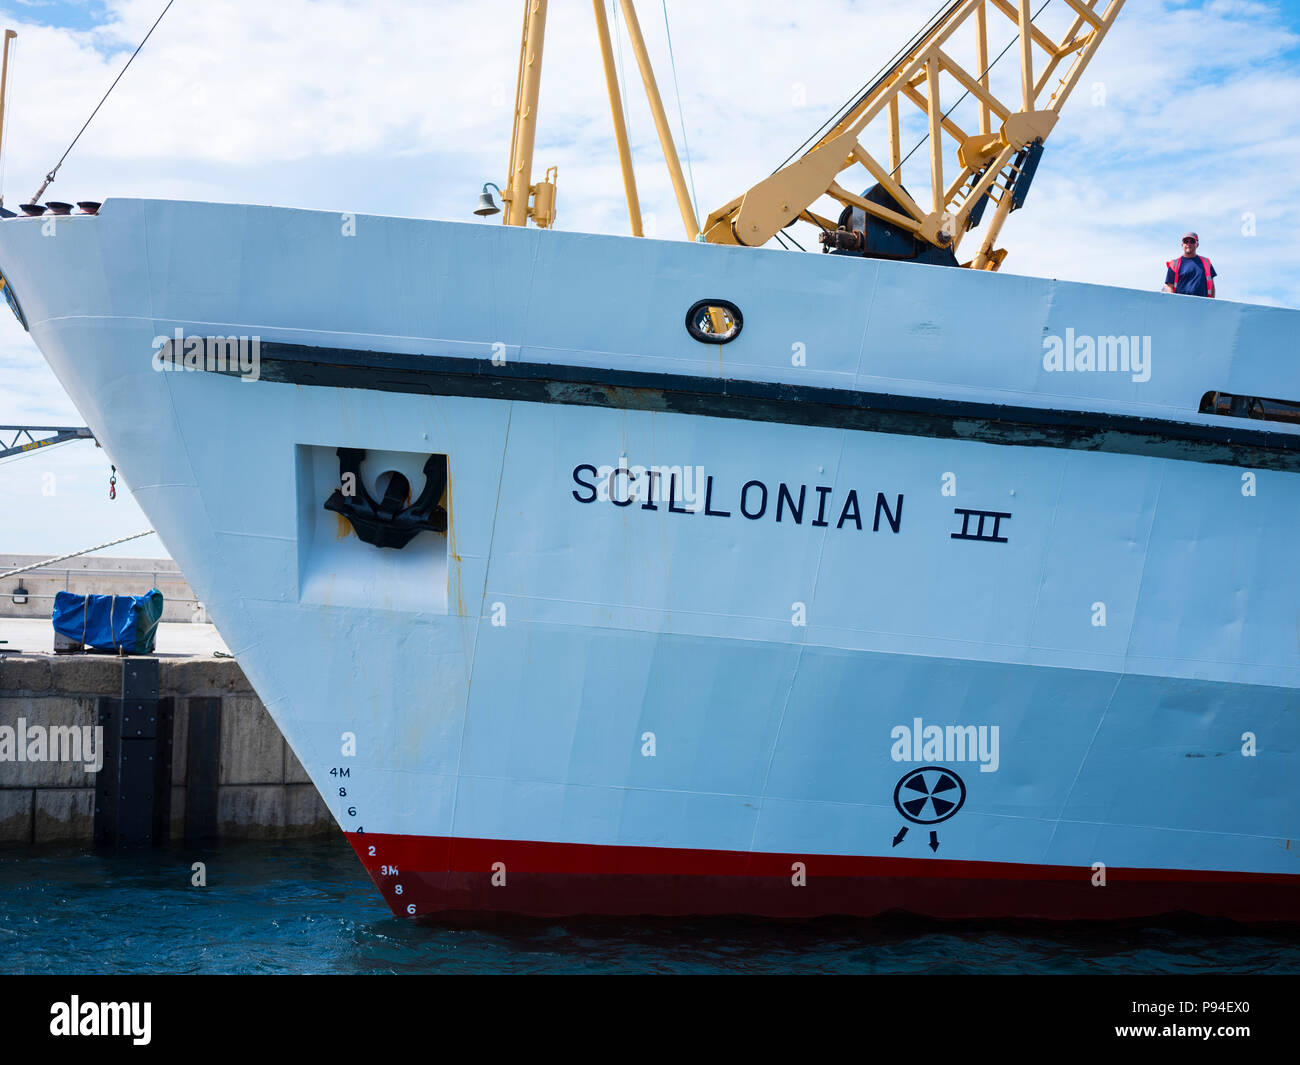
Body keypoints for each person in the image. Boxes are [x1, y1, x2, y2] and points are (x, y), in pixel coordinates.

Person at [1164, 233, 1216, 297]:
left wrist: (1211, 302)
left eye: (1192, 241)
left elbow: (1212, 286)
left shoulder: (1206, 262)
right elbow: (1169, 287)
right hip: (1181, 304)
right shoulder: (1174, 264)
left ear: (1197, 244)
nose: (1189, 244)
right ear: (1182, 244)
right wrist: (1173, 303)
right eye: (1186, 241)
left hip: (1202, 304)